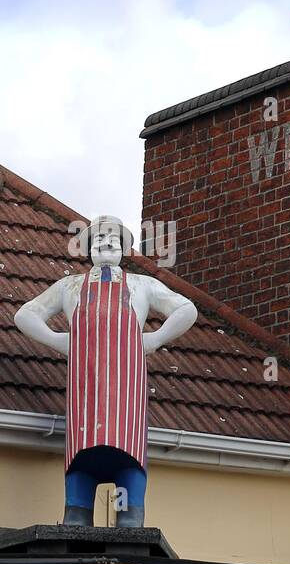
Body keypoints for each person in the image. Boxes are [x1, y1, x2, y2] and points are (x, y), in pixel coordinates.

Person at [14, 215, 196, 527]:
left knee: (129, 501)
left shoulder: (142, 285)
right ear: (88, 249)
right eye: (99, 239)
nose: (106, 242)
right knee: (77, 502)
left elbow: (186, 309)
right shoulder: (70, 286)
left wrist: (155, 338)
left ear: (124, 248)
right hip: (84, 401)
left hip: (128, 402)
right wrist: (58, 340)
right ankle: (78, 509)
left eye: (113, 238)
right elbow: (26, 314)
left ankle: (128, 513)